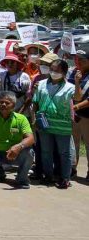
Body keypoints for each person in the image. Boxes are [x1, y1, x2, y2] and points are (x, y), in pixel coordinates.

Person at [32, 58, 75, 188]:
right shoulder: (41, 84)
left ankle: (65, 178)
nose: (53, 72)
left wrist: (78, 83)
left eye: (57, 70)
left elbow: (77, 100)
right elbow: (35, 102)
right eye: (52, 69)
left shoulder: (70, 88)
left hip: (62, 125)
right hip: (44, 123)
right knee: (46, 151)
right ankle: (48, 175)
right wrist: (34, 118)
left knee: (64, 153)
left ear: (65, 72)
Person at [0, 90, 35, 188]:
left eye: (7, 103)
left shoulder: (21, 119)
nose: (3, 104)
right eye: (1, 102)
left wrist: (18, 147)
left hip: (14, 154)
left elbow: (30, 138)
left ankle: (22, 179)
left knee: (30, 152)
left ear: (13, 105)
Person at [73, 51, 89, 178]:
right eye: (79, 60)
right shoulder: (75, 73)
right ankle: (72, 168)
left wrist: (77, 106)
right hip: (74, 114)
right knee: (73, 143)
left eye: (83, 60)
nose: (79, 62)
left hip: (86, 116)